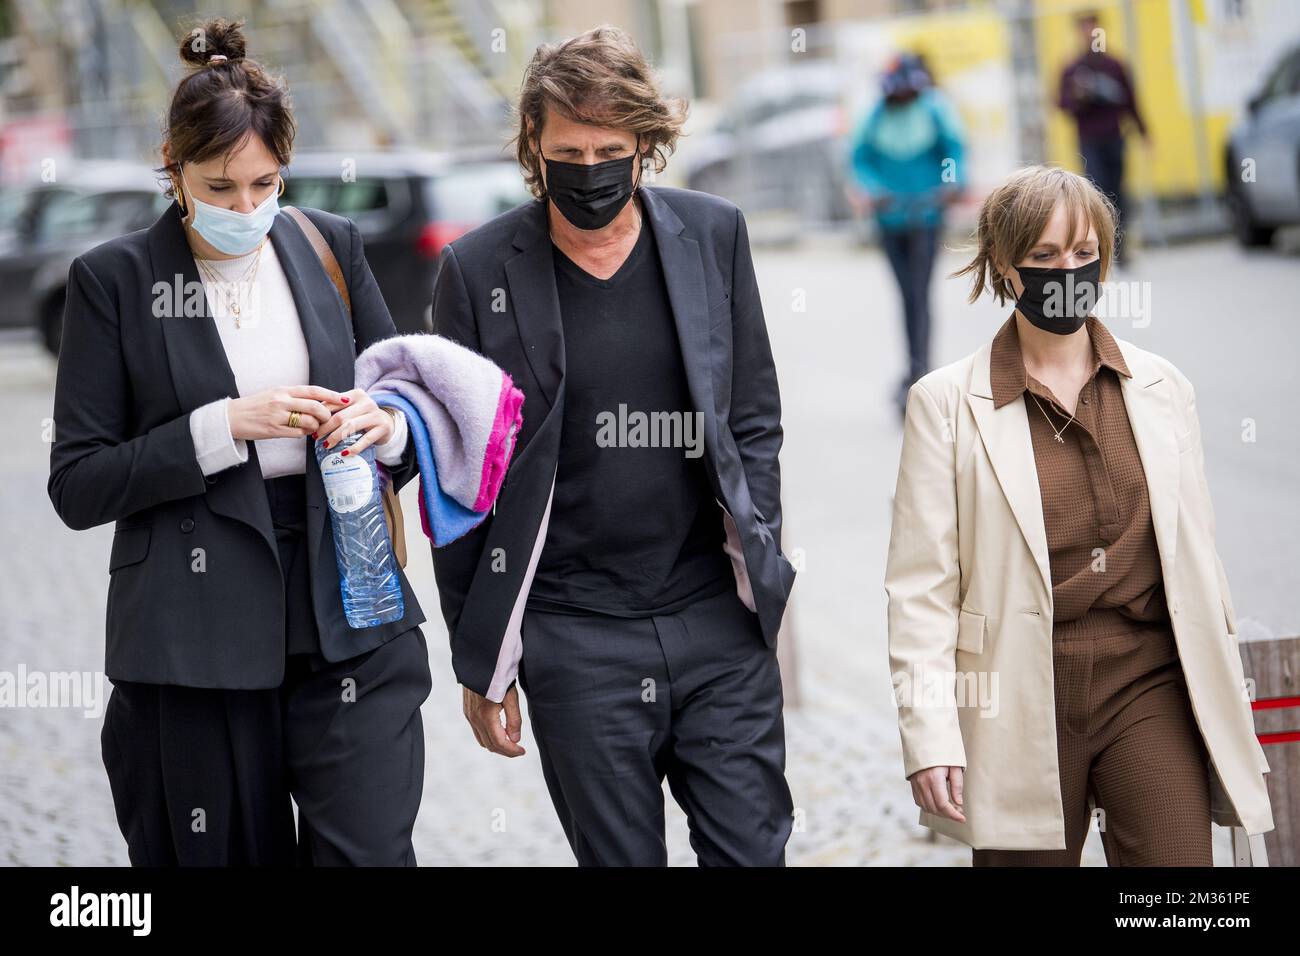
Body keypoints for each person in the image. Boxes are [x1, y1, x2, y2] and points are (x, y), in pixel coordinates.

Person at [47, 18, 433, 865]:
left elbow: (402, 404)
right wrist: (224, 426)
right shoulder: (113, 281)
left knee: (368, 849)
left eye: (267, 184)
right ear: (173, 166)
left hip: (352, 606)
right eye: (221, 188)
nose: (247, 208)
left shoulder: (330, 245)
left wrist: (390, 425)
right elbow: (77, 485)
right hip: (196, 640)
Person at [428, 25, 797, 866]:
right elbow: (458, 482)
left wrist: (759, 547)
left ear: (646, 146)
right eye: (569, 149)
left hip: (717, 623)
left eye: (610, 149)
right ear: (532, 142)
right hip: (574, 636)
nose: (589, 168)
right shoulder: (476, 272)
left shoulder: (714, 235)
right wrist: (481, 655)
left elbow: (754, 415)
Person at [884, 164, 1273, 865]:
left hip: (1146, 682)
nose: (1068, 270)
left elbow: (1199, 562)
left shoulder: (1161, 388)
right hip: (1012, 696)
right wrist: (931, 734)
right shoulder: (943, 405)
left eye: (1084, 254)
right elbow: (920, 593)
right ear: (1005, 265)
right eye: (1044, 256)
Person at [848, 52, 965, 416]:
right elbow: (859, 159)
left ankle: (921, 368)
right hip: (891, 222)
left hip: (926, 218)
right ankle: (916, 367)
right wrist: (873, 189)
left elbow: (954, 152)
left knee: (919, 295)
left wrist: (950, 182)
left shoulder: (934, 110)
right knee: (906, 297)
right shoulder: (874, 118)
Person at [1057, 10, 1148, 265]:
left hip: (1114, 138)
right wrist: (1080, 97)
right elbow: (1061, 104)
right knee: (1095, 195)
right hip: (1089, 141)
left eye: (1094, 29)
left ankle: (1121, 248)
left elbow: (1131, 101)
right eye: (1085, 29)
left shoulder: (1115, 66)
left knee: (1118, 193)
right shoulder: (1072, 69)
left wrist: (1144, 132)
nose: (1090, 34)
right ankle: (1098, 248)